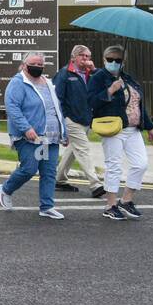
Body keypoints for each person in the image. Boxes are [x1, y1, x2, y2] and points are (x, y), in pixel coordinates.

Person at [0, 52, 69, 219]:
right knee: (29, 169)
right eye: (33, 64)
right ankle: (6, 189)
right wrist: (26, 128)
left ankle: (47, 206)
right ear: (24, 65)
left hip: (50, 136)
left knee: (49, 171)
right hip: (29, 136)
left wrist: (63, 131)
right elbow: (13, 108)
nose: (37, 67)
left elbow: (56, 109)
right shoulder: (18, 83)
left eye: (40, 64)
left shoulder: (48, 82)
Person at [88, 44, 153, 221]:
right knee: (114, 166)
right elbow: (91, 102)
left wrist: (149, 126)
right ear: (104, 59)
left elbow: (138, 103)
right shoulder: (98, 77)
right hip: (113, 128)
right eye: (110, 59)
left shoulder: (129, 79)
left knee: (141, 164)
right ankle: (110, 205)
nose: (113, 62)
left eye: (118, 60)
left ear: (123, 62)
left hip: (133, 129)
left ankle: (126, 200)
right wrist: (110, 90)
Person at [54, 44, 103, 197]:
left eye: (88, 56)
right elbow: (57, 99)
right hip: (71, 119)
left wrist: (94, 71)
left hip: (86, 119)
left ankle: (59, 179)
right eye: (83, 56)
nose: (86, 59)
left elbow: (104, 83)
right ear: (73, 57)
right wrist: (62, 122)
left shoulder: (91, 74)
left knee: (72, 151)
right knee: (83, 149)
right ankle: (96, 184)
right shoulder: (64, 73)